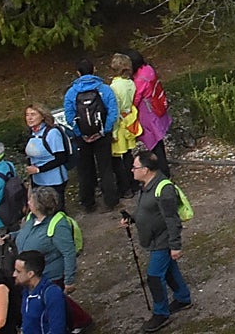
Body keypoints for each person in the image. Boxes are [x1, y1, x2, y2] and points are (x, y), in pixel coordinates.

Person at [121, 151, 191, 331]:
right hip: (154, 240)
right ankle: (183, 298)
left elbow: (172, 219)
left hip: (162, 241)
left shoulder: (164, 189)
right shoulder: (146, 186)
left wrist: (175, 246)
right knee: (168, 270)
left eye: (135, 167)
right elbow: (145, 210)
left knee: (154, 276)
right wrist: (132, 218)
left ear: (145, 170)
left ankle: (161, 313)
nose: (132, 170)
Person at [62, 61, 119, 214]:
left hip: (82, 138)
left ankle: (88, 203)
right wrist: (104, 131)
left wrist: (80, 134)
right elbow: (113, 112)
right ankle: (111, 201)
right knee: (106, 168)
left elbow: (69, 117)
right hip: (102, 135)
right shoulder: (104, 89)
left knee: (85, 170)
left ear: (77, 73)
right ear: (94, 70)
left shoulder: (71, 93)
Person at [11, 188, 78, 299]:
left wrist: (69, 280)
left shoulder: (58, 225)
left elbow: (69, 253)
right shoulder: (31, 218)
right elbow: (26, 233)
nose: (28, 203)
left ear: (40, 205)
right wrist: (12, 236)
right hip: (30, 277)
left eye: (31, 201)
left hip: (50, 278)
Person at [121, 50, 174, 178]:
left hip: (147, 115)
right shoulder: (148, 69)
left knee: (154, 145)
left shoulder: (139, 80)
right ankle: (163, 170)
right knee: (158, 143)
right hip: (156, 109)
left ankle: (162, 173)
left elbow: (135, 99)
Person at [20, 105, 74, 208]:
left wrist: (39, 169)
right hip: (37, 180)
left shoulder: (53, 133)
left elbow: (61, 158)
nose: (29, 118)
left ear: (43, 116)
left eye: (33, 114)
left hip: (54, 181)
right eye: (27, 115)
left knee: (56, 209)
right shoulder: (32, 132)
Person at [107, 56, 144, 201]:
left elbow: (115, 110)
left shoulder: (114, 87)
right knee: (128, 154)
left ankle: (125, 187)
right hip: (130, 119)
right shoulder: (130, 83)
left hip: (120, 124)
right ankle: (134, 182)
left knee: (117, 157)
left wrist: (113, 131)